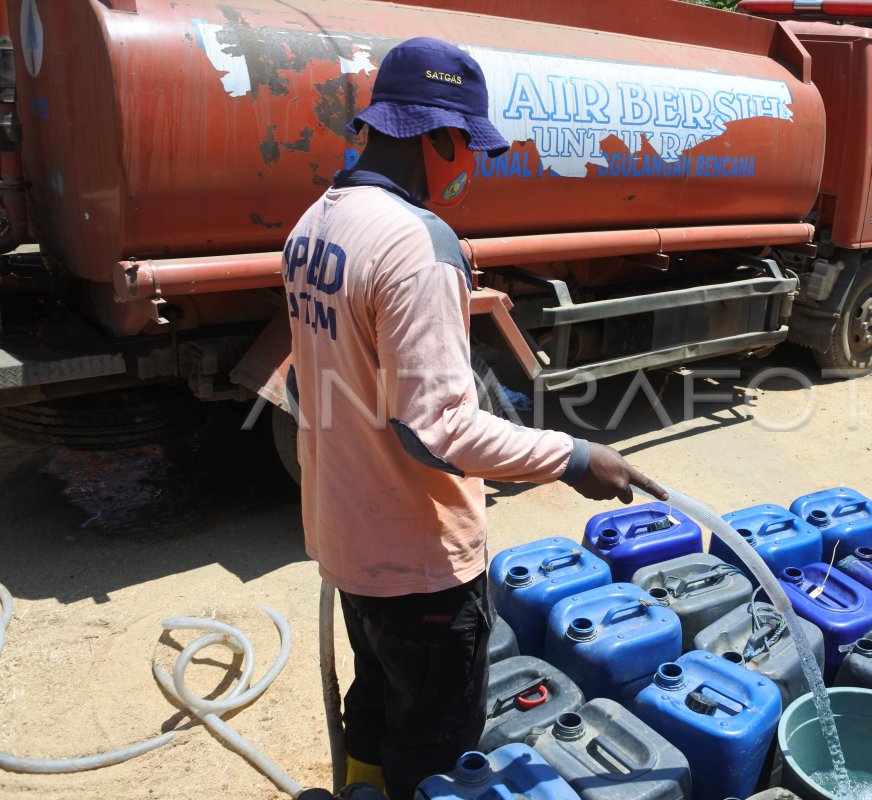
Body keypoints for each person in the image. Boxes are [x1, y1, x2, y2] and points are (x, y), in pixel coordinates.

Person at [282, 37, 666, 798]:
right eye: (469, 149)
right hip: (420, 565)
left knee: (376, 703)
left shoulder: (315, 225)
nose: (472, 167)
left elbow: (306, 384)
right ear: (436, 137)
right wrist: (576, 456)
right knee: (434, 749)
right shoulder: (419, 246)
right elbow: (438, 432)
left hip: (349, 543)